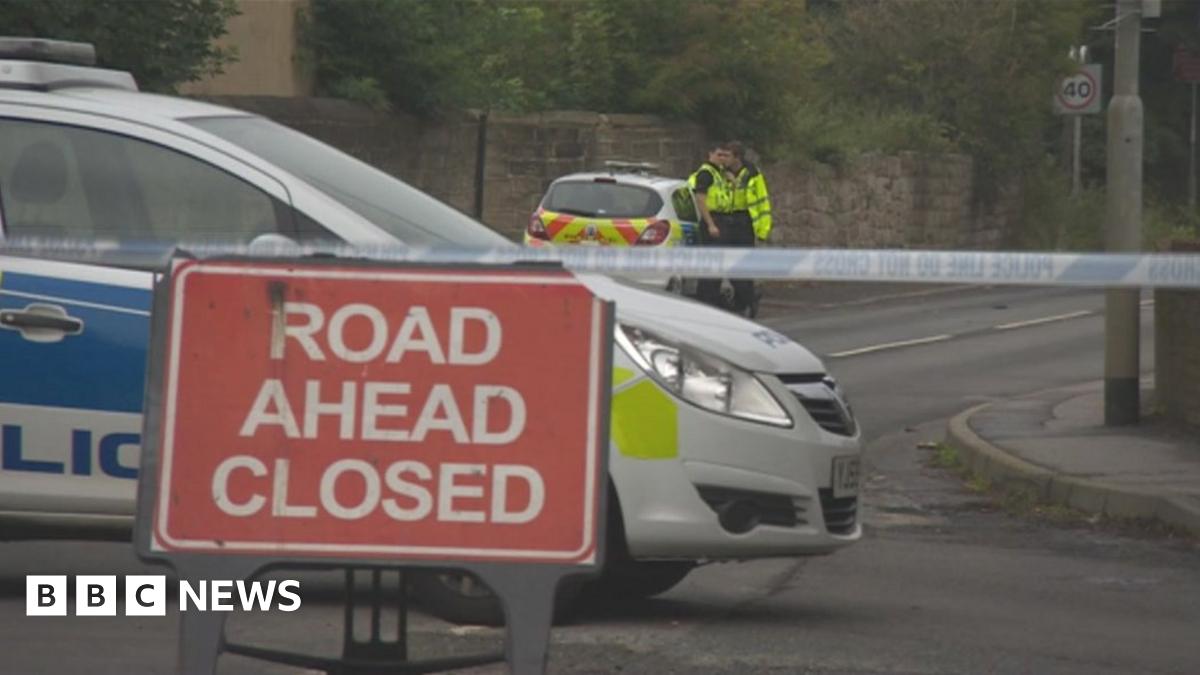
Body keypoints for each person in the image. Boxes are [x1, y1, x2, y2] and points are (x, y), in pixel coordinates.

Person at [722, 140, 771, 316]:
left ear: (737, 157)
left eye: (728, 156)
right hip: (727, 220)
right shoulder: (721, 173)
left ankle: (743, 302)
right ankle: (749, 298)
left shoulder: (752, 174)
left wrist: (763, 230)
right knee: (729, 266)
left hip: (745, 222)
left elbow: (763, 202)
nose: (724, 159)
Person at [687, 143, 735, 309]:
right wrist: (710, 224)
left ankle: (712, 300)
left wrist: (731, 182)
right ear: (710, 154)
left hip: (722, 220)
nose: (722, 158)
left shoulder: (719, 173)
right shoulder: (706, 173)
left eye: (725, 155)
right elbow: (701, 199)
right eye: (719, 154)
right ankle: (706, 302)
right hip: (713, 221)